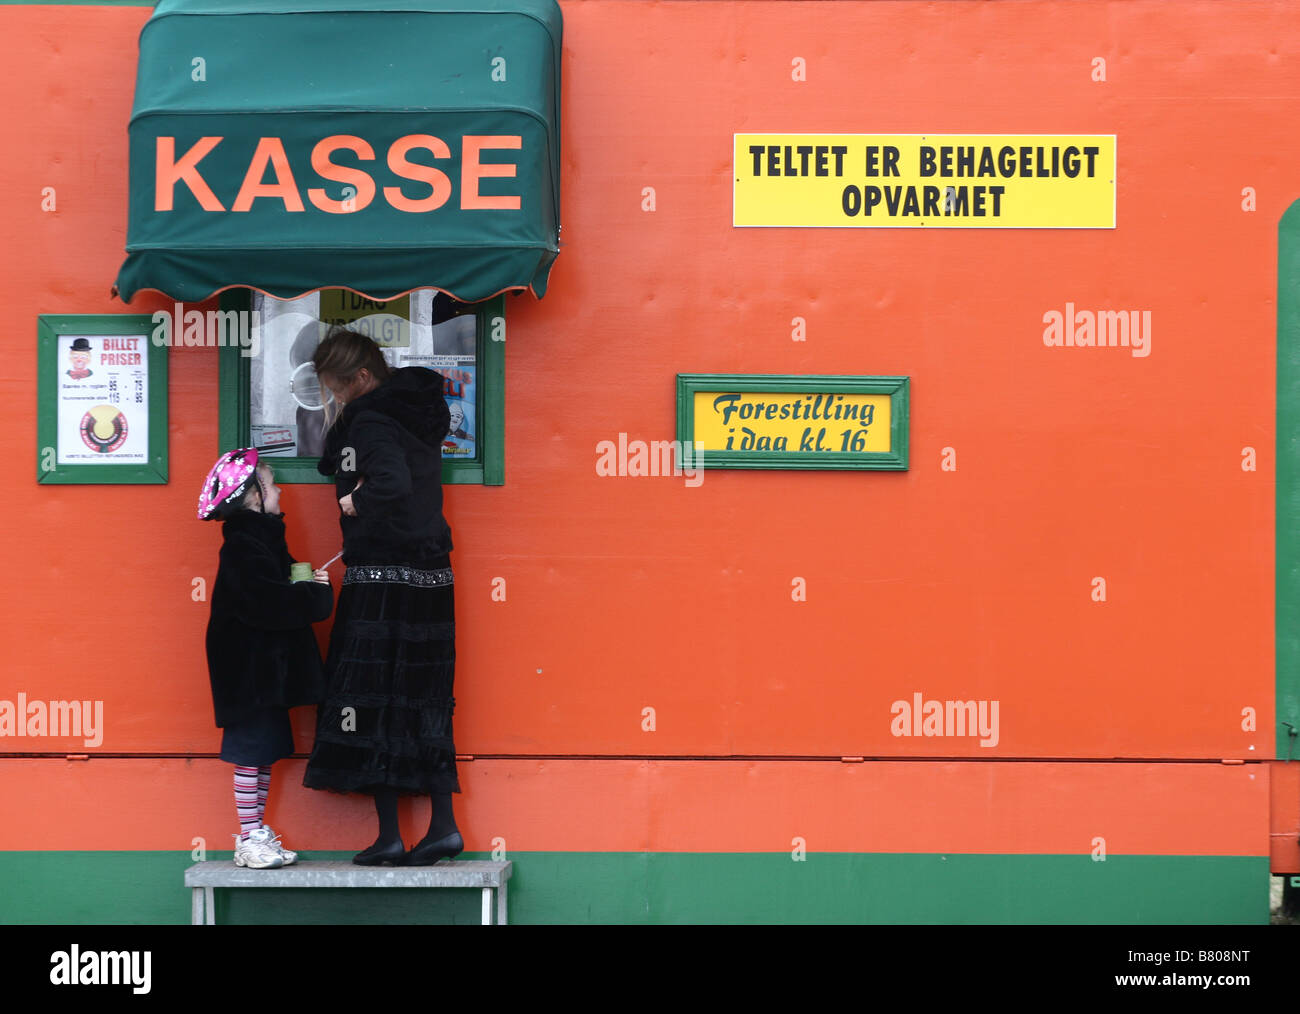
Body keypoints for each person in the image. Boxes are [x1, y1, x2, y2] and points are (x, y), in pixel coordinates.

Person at [302, 328, 462, 866]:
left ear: (362, 378)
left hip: (382, 578)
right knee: (424, 697)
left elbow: (388, 483)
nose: (335, 400)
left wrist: (353, 506)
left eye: (337, 390)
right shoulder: (416, 414)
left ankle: (391, 835)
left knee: (370, 698)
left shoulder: (369, 419)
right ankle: (443, 827)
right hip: (431, 573)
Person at [198, 448, 334, 869]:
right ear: (254, 496)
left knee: (263, 754)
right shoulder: (244, 545)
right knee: (250, 754)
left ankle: (256, 832)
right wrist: (311, 593)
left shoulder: (262, 540)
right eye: (273, 486)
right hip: (249, 672)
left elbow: (280, 589)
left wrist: (306, 582)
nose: (280, 493)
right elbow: (267, 604)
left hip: (261, 672)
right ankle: (247, 837)